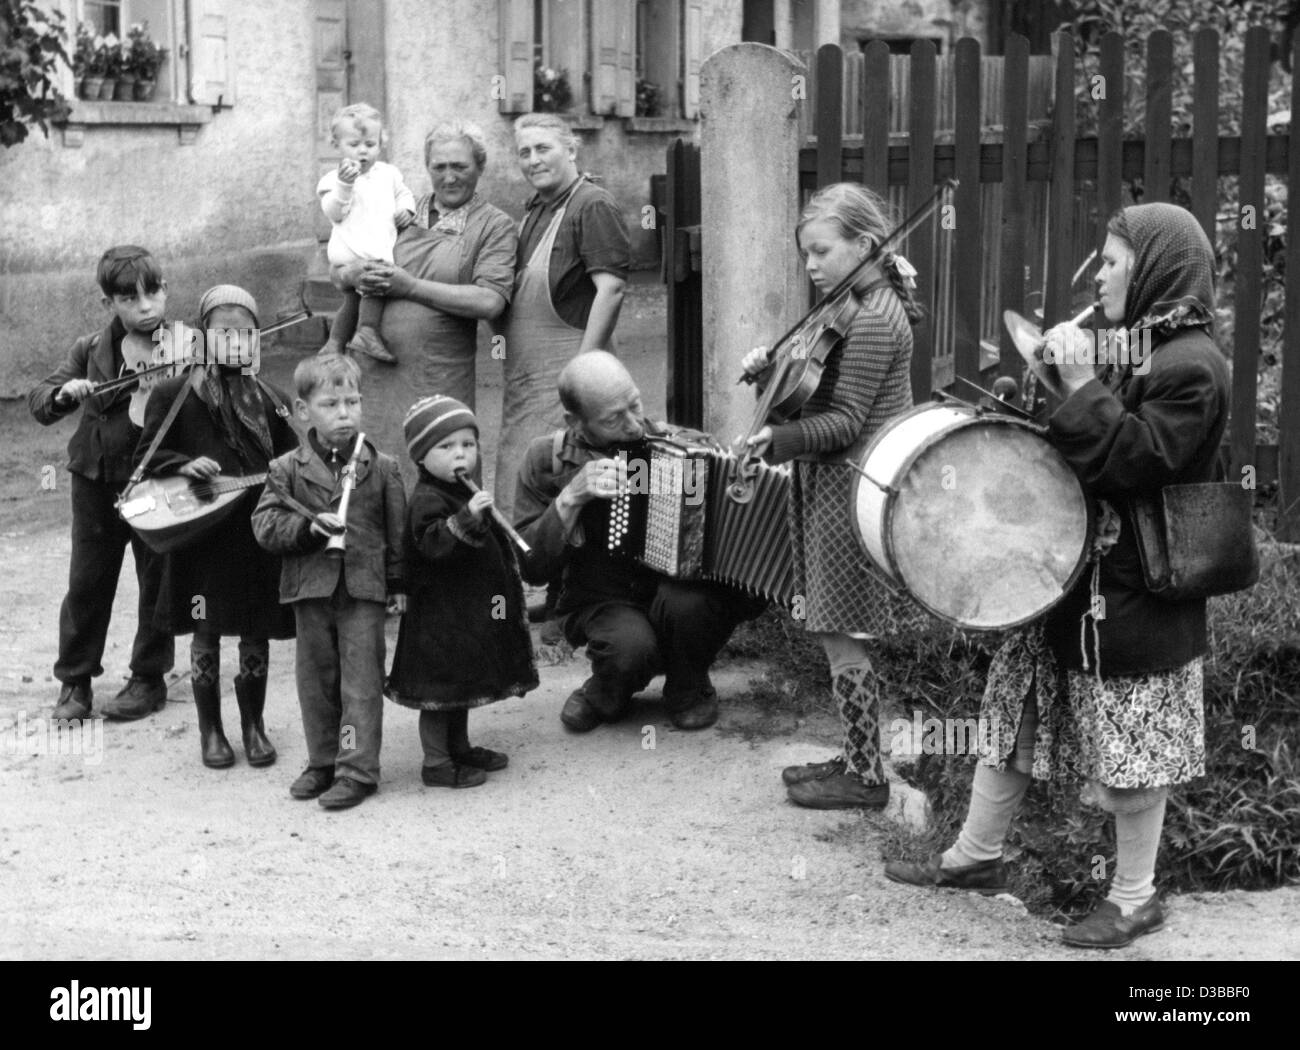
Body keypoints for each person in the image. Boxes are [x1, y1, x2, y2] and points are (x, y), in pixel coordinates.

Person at [884, 203, 1230, 950]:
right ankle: (974, 857)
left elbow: (1138, 461)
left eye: (1112, 262)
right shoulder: (1137, 348)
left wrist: (1078, 383)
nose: (1098, 274)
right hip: (1072, 577)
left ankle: (1135, 898)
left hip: (1138, 591)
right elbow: (1082, 446)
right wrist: (1053, 382)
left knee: (1135, 741)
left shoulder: (1192, 366)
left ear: (1157, 272)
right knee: (1014, 705)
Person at [740, 183, 924, 812]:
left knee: (843, 632)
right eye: (805, 256)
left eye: (821, 251)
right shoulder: (850, 304)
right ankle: (855, 753)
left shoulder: (872, 318)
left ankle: (867, 776)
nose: (812, 266)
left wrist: (778, 437)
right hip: (833, 484)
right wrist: (772, 373)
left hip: (851, 488)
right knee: (833, 628)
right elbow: (812, 386)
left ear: (865, 244)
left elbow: (845, 422)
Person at [513, 351, 765, 732]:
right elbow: (530, 567)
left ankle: (689, 686)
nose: (633, 425)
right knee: (629, 650)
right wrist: (570, 498)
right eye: (614, 418)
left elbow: (732, 533)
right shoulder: (545, 459)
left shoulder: (687, 449)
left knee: (692, 605)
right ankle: (607, 690)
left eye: (634, 404)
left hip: (675, 592)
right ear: (575, 421)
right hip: (600, 600)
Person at [135, 285, 297, 769]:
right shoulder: (175, 393)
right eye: (224, 333)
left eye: (245, 333)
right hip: (202, 537)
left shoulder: (270, 397)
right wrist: (186, 465)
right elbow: (145, 459)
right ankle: (211, 732)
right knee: (205, 631)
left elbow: (291, 460)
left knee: (255, 631)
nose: (236, 342)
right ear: (205, 337)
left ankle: (254, 726)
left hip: (254, 535)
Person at [251, 354, 407, 811]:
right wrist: (305, 530)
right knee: (315, 681)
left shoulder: (383, 467)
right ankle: (322, 761)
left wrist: (397, 584)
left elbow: (396, 533)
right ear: (303, 412)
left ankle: (357, 769)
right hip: (311, 589)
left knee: (361, 682)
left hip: (364, 591)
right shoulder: (286, 469)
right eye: (331, 404)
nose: (345, 413)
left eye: (352, 401)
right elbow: (264, 525)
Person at [27, 245, 174, 722]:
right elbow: (39, 399)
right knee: (87, 581)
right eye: (130, 298)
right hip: (94, 479)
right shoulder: (89, 349)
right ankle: (75, 681)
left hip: (153, 479)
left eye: (153, 293)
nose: (146, 306)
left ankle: (148, 677)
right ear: (108, 303)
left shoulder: (183, 345)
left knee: (156, 578)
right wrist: (64, 394)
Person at [334, 119, 517, 453]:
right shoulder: (400, 212)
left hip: (438, 377)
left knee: (438, 471)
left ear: (480, 167)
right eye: (439, 167)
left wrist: (410, 287)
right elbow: (341, 267)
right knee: (373, 473)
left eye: (460, 167)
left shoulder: (495, 226)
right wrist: (352, 275)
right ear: (427, 168)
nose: (449, 177)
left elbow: (490, 301)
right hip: (373, 374)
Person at [386, 396, 538, 788]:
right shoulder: (427, 499)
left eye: (468, 445)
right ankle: (436, 762)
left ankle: (460, 748)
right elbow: (433, 544)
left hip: (461, 617)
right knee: (440, 690)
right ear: (421, 457)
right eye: (447, 446)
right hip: (437, 619)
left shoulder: (457, 490)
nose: (461, 455)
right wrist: (468, 516)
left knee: (460, 685)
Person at [494, 113, 631, 523]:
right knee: (518, 489)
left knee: (561, 491)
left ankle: (559, 586)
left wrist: (581, 373)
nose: (533, 160)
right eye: (524, 152)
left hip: (567, 380)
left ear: (571, 150)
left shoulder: (592, 204)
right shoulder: (536, 207)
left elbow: (612, 289)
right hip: (526, 379)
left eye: (543, 148)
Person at [316, 102, 416, 363]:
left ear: (380, 144)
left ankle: (334, 344)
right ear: (336, 145)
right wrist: (344, 185)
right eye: (354, 144)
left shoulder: (389, 174)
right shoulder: (333, 179)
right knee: (376, 282)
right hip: (351, 251)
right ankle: (367, 332)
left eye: (370, 144)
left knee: (351, 301)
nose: (363, 151)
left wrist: (407, 209)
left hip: (375, 247)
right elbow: (333, 212)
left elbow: (404, 194)